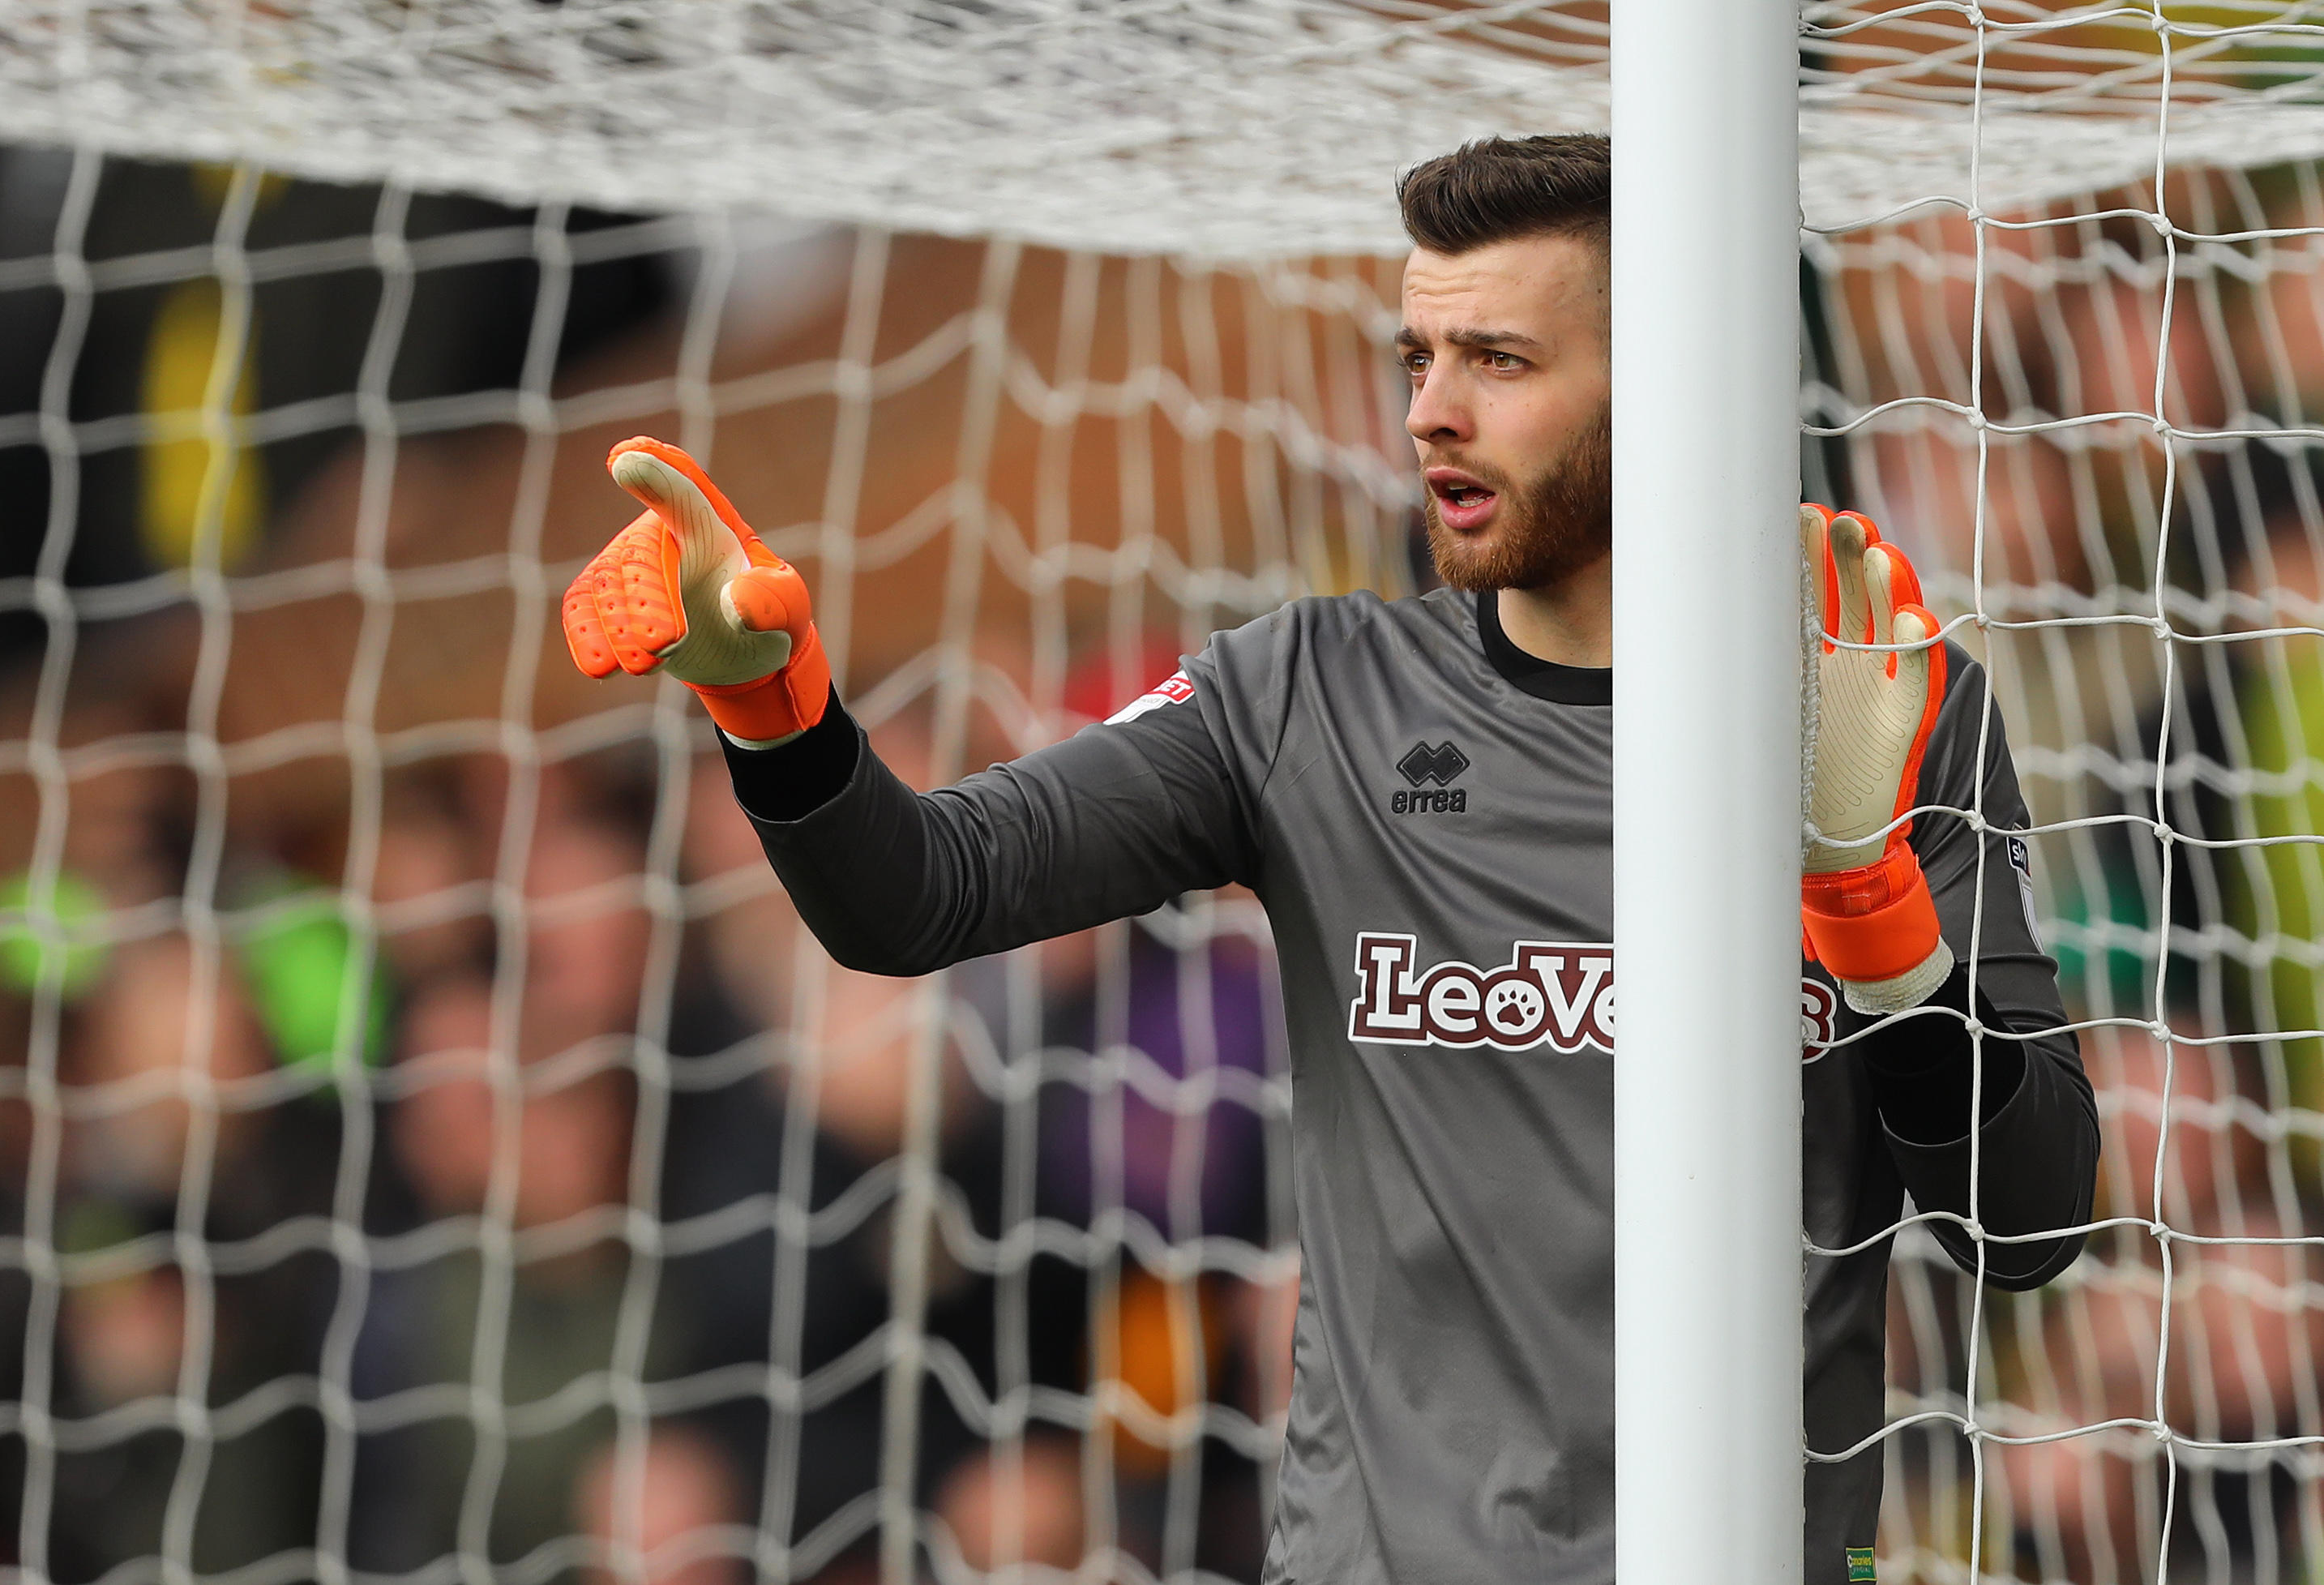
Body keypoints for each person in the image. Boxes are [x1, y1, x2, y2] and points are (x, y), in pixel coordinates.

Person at [559, 134, 2101, 1584]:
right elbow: (915, 897)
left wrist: (1862, 895)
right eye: (1419, 358)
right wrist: (772, 709)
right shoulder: (1303, 696)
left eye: (1499, 361)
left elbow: (2028, 1223)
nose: (1431, 412)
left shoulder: (1876, 703)